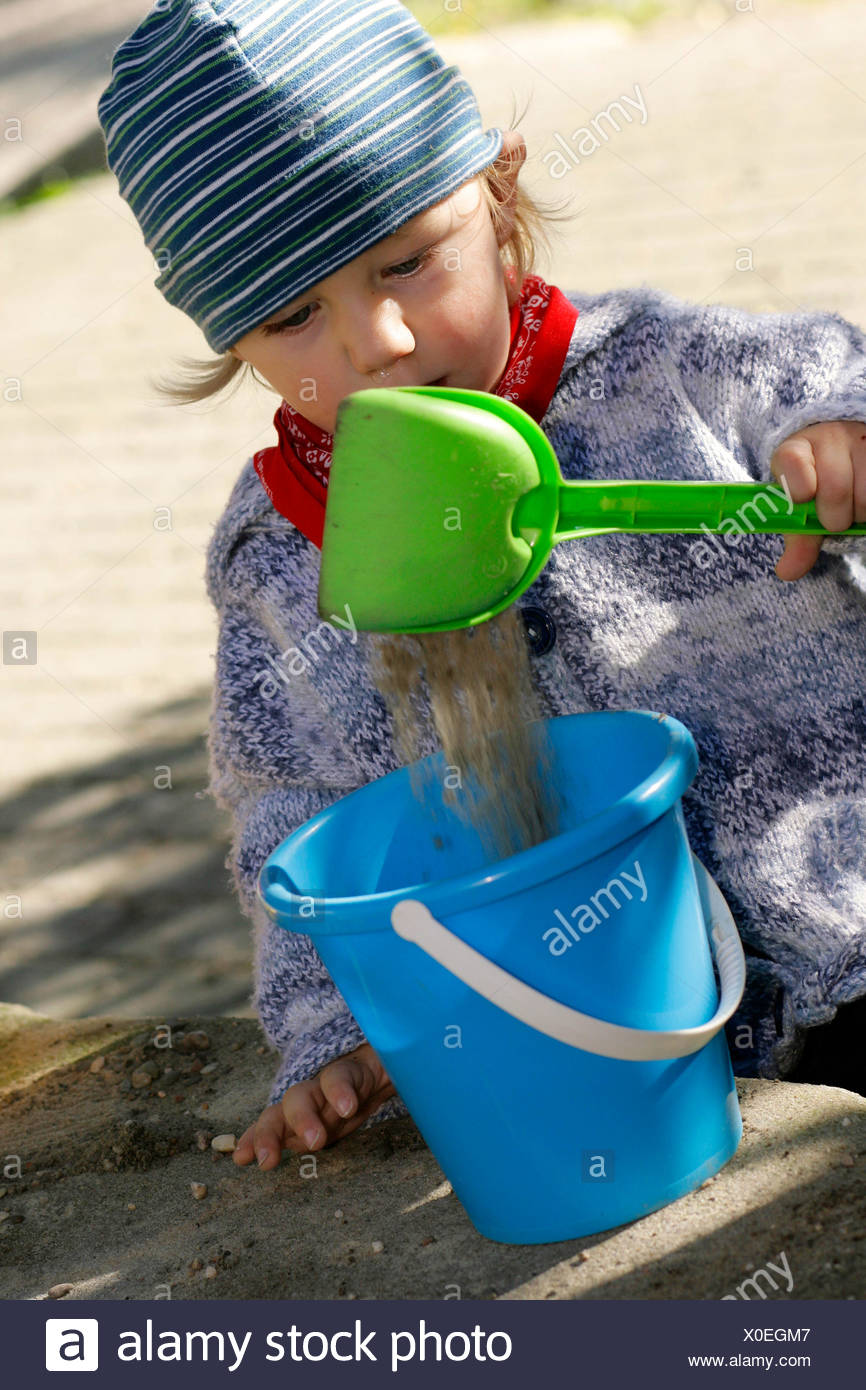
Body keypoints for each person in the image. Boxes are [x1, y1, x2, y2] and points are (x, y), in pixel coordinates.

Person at [97, 0, 866, 1173]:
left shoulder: (665, 371)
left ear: (496, 196)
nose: (379, 341)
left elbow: (816, 372)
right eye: (295, 314)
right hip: (589, 1050)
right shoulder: (281, 555)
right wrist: (332, 1028)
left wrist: (834, 435)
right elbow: (292, 810)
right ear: (230, 344)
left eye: (408, 259)